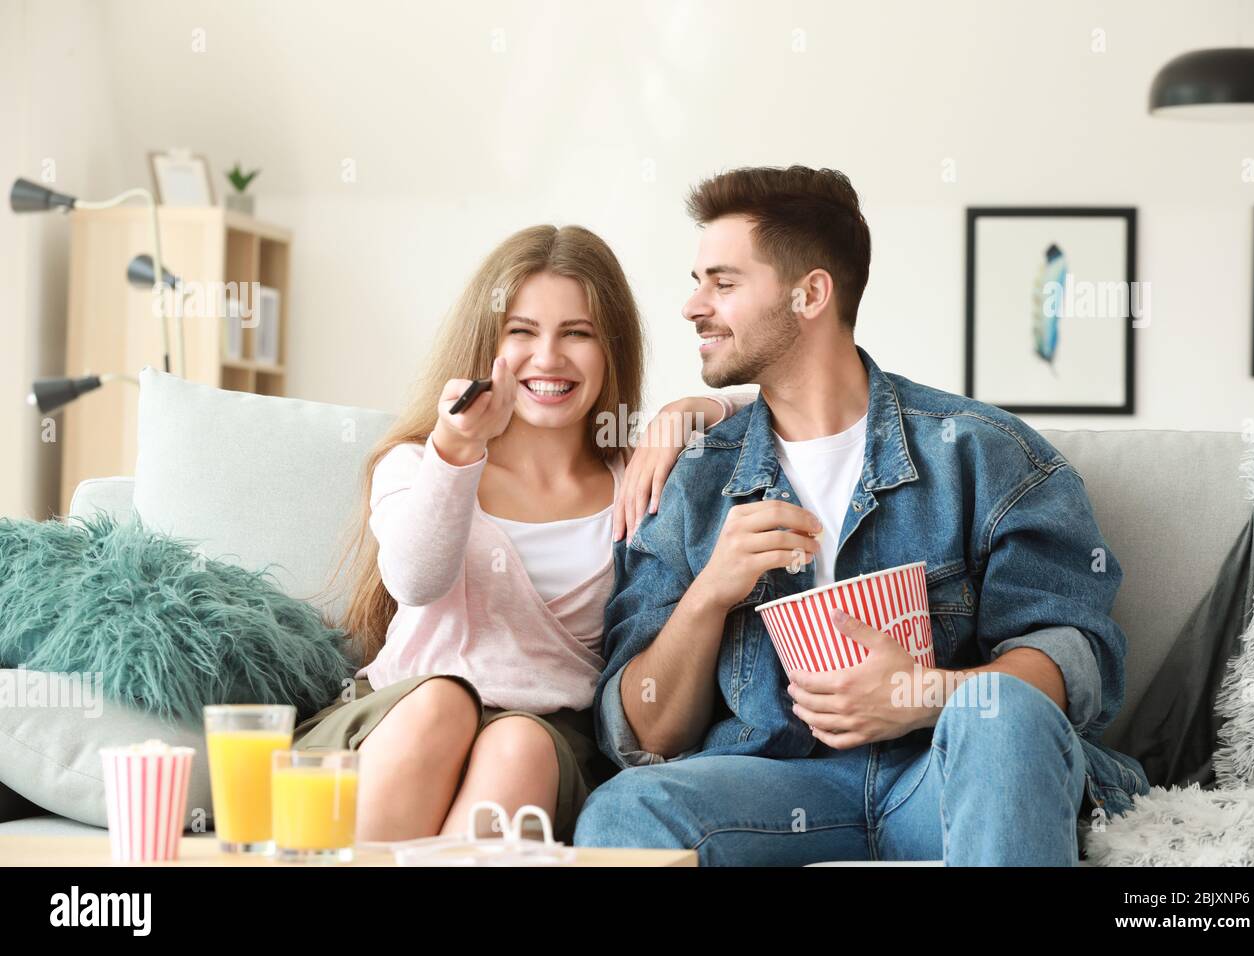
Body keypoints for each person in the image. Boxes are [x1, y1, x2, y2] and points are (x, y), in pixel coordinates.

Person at [573, 165, 1151, 865]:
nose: (693, 306)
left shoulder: (983, 455)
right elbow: (646, 734)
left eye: (722, 283)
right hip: (773, 789)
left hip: (940, 778)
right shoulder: (692, 478)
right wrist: (709, 596)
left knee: (1000, 720)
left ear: (811, 293)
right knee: (624, 812)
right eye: (699, 282)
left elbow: (1075, 661)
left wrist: (925, 694)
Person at [297, 223, 743, 845]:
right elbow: (416, 581)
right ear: (488, 344)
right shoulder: (418, 462)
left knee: (520, 744)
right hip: (398, 718)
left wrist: (695, 409)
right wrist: (456, 450)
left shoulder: (637, 479)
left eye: (577, 334)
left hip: (548, 741)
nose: (549, 359)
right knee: (442, 705)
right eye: (522, 332)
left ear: (611, 348)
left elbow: (786, 404)